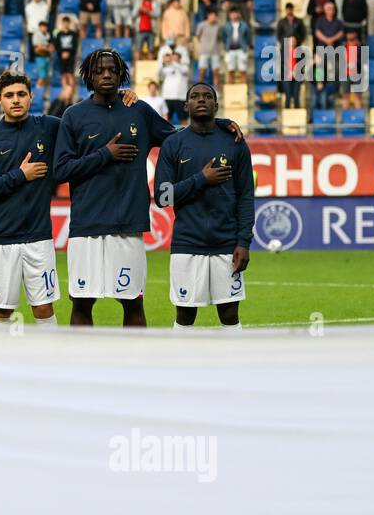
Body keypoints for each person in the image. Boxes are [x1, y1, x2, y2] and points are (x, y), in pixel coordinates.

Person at [55, 48, 238, 327]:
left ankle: (137, 367)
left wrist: (216, 122)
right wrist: (106, 154)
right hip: (86, 226)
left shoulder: (138, 110)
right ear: (89, 76)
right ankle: (83, 365)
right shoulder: (74, 115)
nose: (106, 74)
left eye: (112, 70)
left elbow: (179, 138)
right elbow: (61, 170)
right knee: (82, 303)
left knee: (133, 304)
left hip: (128, 224)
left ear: (121, 75)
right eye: (99, 70)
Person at [154, 81, 253, 330]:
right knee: (185, 316)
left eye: (207, 96)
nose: (201, 99)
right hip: (187, 243)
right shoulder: (173, 145)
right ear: (186, 105)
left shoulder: (235, 142)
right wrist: (201, 179)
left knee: (229, 314)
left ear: (216, 105)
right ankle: (181, 367)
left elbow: (245, 197)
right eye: (195, 96)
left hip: (227, 244)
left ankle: (235, 369)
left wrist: (243, 242)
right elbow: (162, 197)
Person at [0, 71, 61, 326]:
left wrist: (122, 97)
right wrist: (20, 175)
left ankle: (49, 364)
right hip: (1, 239)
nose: (16, 100)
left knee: (44, 309)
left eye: (21, 94)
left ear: (32, 96)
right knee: (1, 312)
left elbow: (82, 121)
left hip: (39, 237)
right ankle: (1, 364)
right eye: (9, 95)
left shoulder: (49, 127)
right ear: (0, 99)